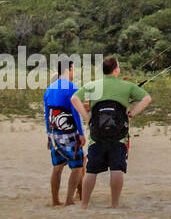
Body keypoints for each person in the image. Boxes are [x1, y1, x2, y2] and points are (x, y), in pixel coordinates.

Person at [71, 56, 151, 209]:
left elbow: (74, 99)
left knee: (91, 170)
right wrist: (132, 113)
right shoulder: (127, 86)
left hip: (97, 134)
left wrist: (86, 116)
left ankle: (84, 205)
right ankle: (114, 204)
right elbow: (147, 98)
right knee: (117, 168)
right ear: (116, 69)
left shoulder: (93, 85)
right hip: (118, 135)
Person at [43, 59, 86, 207]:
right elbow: (76, 114)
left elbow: (46, 114)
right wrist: (81, 134)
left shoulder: (49, 89)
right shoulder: (72, 88)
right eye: (73, 69)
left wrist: (49, 135)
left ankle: (55, 200)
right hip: (69, 134)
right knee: (77, 167)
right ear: (68, 70)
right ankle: (69, 199)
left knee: (57, 168)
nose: (74, 73)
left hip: (54, 133)